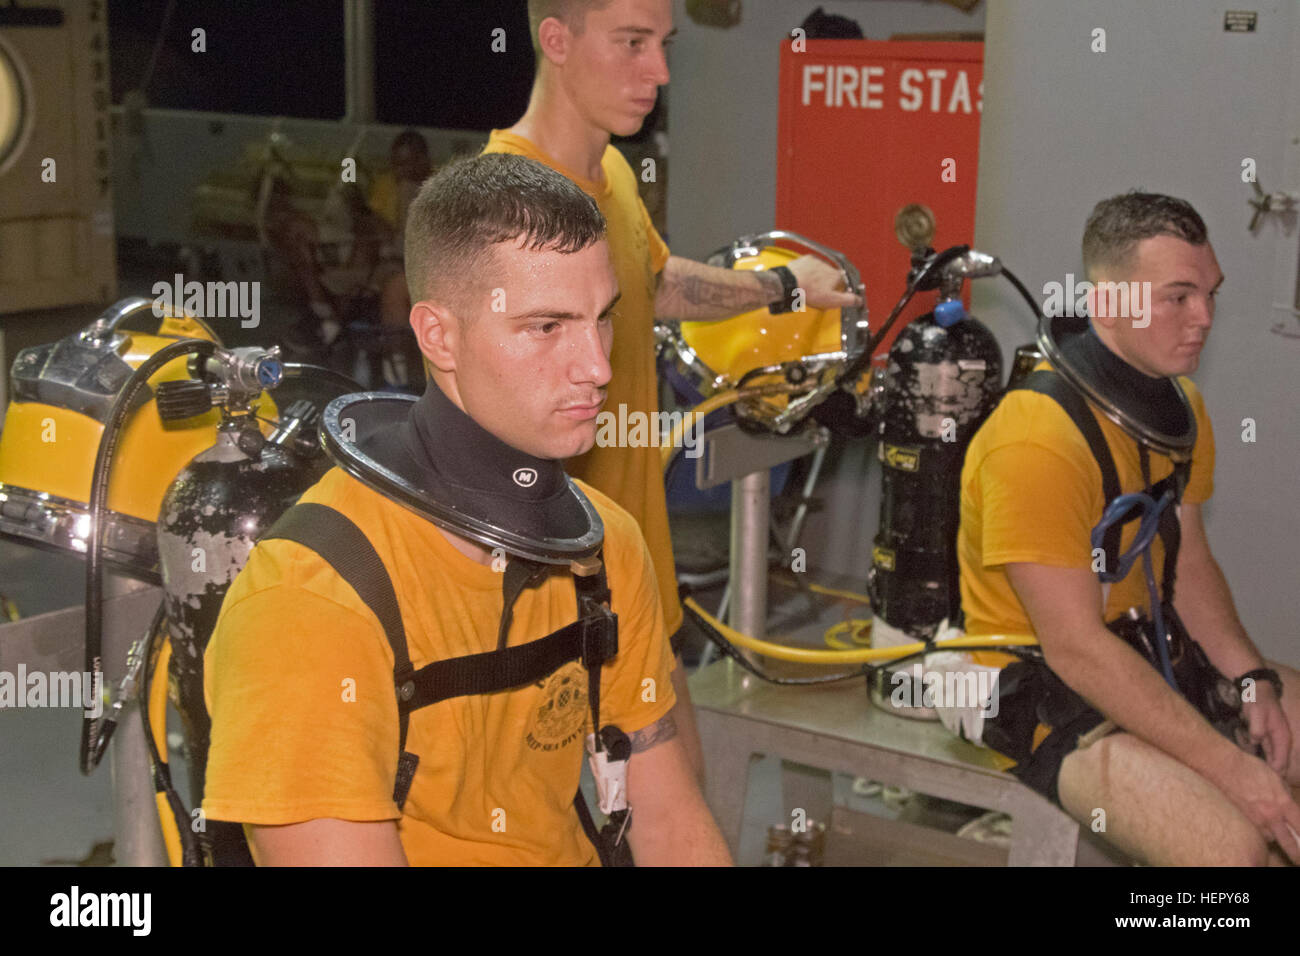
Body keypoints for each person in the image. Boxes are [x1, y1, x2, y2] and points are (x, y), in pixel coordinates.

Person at [201, 153, 733, 866]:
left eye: (600, 320)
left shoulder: (605, 545)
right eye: (547, 326)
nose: (598, 367)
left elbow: (667, 820)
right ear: (438, 336)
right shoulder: (311, 603)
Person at [484, 0, 862, 782]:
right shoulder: (509, 203)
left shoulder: (612, 171)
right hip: (551, 594)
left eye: (664, 46)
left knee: (672, 811)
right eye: (631, 44)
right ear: (557, 39)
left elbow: (652, 280)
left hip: (633, 568)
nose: (657, 72)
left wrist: (784, 285)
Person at [957, 191, 1300, 865]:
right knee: (1229, 852)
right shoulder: (1035, 440)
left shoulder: (1181, 409)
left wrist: (1252, 678)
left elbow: (1189, 566)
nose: (1204, 317)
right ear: (1110, 302)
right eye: (1179, 297)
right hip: (1034, 678)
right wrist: (1236, 775)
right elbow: (1075, 649)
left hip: (1146, 646)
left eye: (1210, 293)